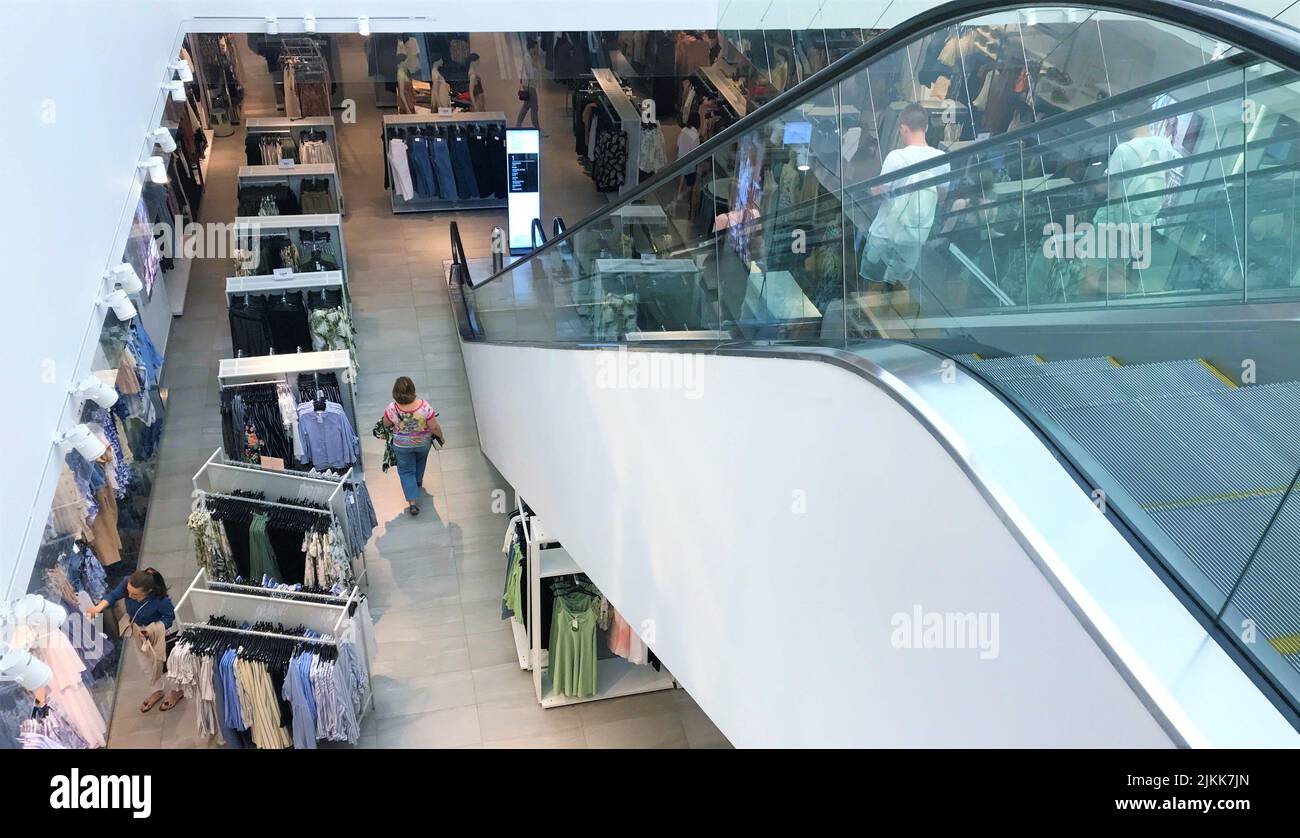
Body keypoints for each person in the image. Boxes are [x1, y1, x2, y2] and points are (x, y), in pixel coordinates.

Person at [859, 102, 950, 290]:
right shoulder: (942, 160)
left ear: (903, 128)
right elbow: (941, 198)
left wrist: (870, 189)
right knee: (900, 288)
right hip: (914, 236)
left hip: (886, 233)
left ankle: (869, 317)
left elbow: (879, 194)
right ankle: (896, 318)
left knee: (873, 286)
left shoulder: (896, 157)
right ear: (926, 127)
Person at [86, 569, 181, 713]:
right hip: (140, 632)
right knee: (146, 665)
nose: (129, 595)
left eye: (134, 594)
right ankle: (157, 690)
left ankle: (177, 690)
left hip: (161, 634)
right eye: (128, 592)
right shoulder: (128, 583)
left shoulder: (160, 600)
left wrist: (153, 629)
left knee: (168, 664)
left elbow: (169, 617)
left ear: (148, 591)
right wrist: (98, 608)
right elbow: (113, 595)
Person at [382, 376, 445, 516]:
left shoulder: (392, 408)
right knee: (420, 461)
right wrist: (441, 436)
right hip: (423, 443)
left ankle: (412, 502)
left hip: (401, 445)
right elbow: (434, 427)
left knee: (405, 471)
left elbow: (385, 424)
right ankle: (417, 481)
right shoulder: (425, 407)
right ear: (412, 389)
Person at [516, 38, 541, 130]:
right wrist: (535, 66)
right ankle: (536, 128)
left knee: (526, 106)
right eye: (535, 48)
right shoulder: (528, 58)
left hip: (527, 85)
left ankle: (518, 124)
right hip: (530, 86)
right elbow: (531, 73)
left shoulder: (527, 57)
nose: (536, 50)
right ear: (531, 48)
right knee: (534, 107)